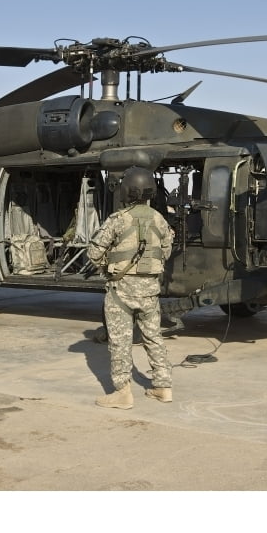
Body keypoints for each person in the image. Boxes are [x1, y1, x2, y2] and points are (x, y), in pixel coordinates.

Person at [87, 166, 174, 409]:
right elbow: (165, 251)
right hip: (150, 291)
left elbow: (93, 253)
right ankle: (163, 387)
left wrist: (109, 266)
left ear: (126, 190)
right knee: (154, 337)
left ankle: (123, 393)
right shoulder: (160, 219)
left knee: (120, 342)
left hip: (121, 291)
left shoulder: (118, 219)